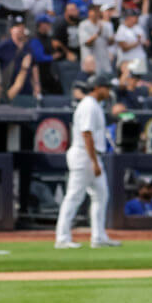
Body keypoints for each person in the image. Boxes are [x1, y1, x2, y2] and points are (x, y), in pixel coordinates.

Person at [54, 75, 121, 249]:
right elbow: (86, 134)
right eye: (106, 87)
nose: (108, 91)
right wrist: (94, 162)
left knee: (101, 195)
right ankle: (62, 237)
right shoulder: (89, 106)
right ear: (97, 87)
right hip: (84, 155)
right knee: (74, 196)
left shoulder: (95, 105)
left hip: (91, 155)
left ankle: (98, 237)